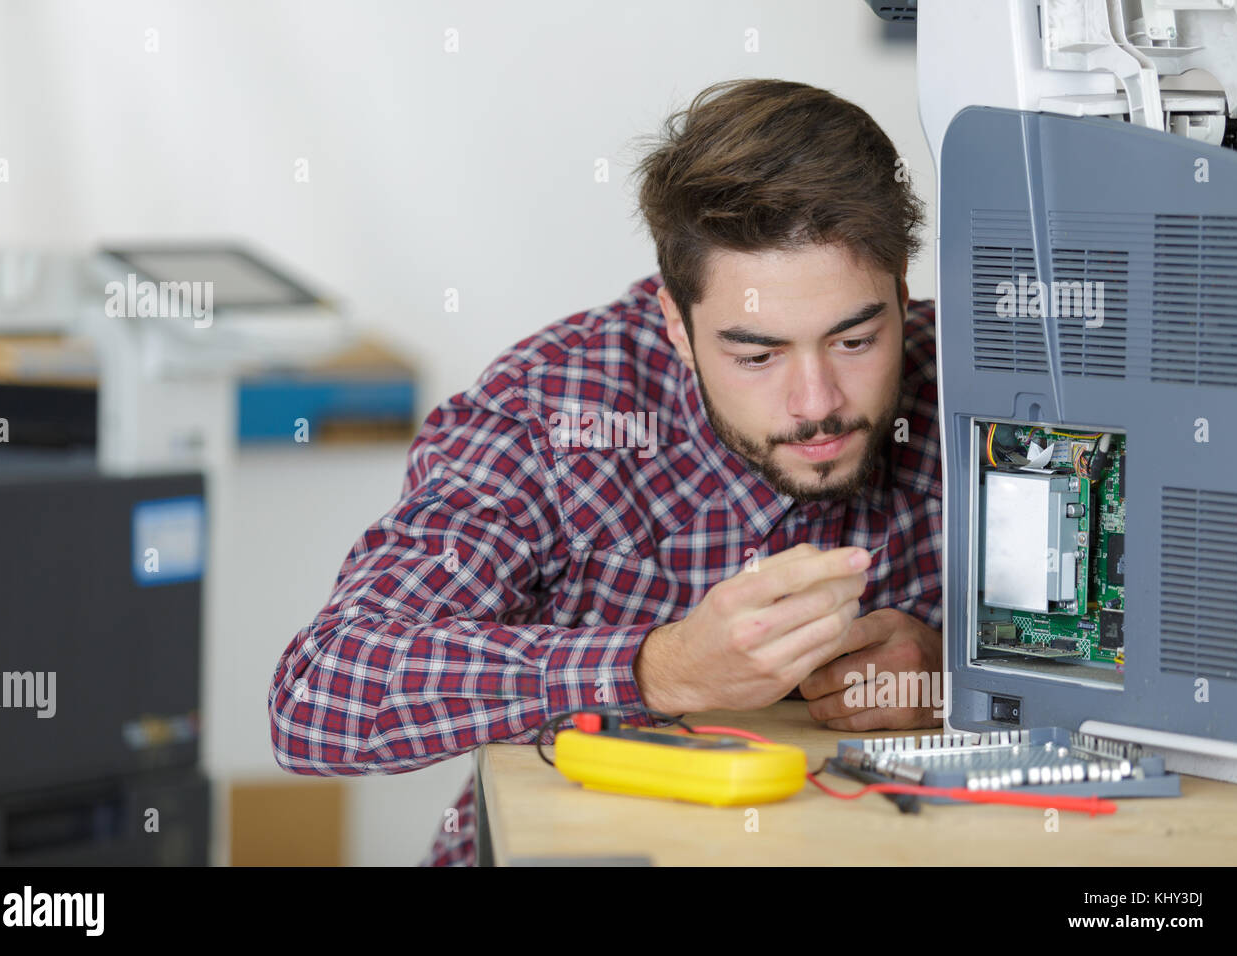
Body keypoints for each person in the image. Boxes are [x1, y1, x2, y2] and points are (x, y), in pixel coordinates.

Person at [268, 78, 943, 866]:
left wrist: (961, 678)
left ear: (901, 296)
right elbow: (319, 698)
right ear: (678, 328)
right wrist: (660, 669)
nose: (816, 402)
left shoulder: (994, 386)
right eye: (755, 354)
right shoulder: (549, 414)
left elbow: (1113, 648)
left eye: (855, 341)